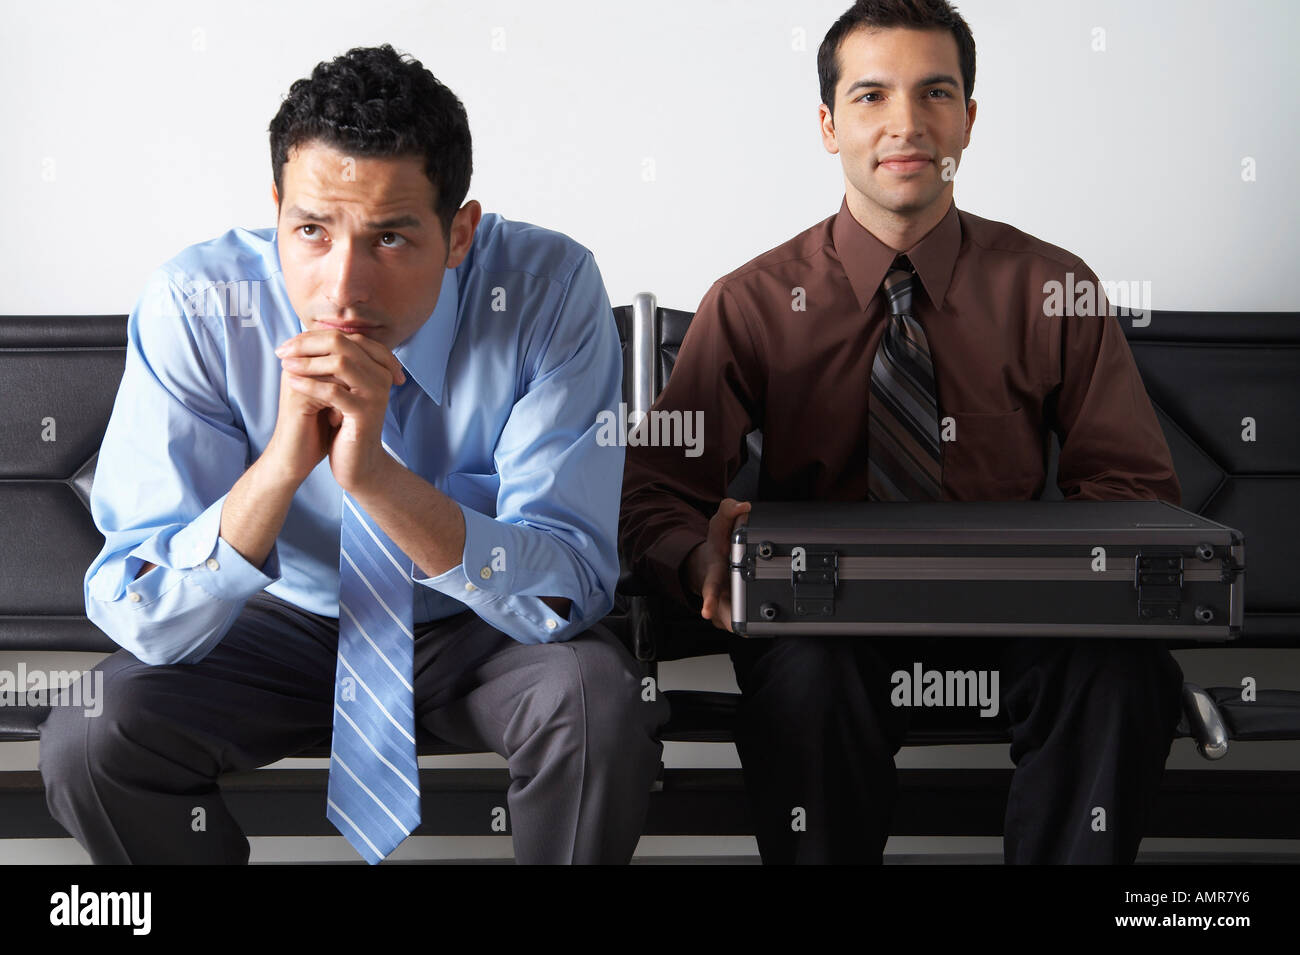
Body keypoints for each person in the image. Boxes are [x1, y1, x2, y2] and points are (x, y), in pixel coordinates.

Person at [40, 44, 668, 865]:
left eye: (391, 238)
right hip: (272, 626)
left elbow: (566, 589)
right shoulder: (198, 304)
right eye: (310, 230)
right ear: (276, 211)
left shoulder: (547, 290)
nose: (344, 286)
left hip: (476, 633)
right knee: (91, 736)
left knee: (595, 702)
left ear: (459, 234)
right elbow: (140, 607)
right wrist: (281, 466)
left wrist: (375, 479)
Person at [619, 0, 1184, 864]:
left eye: (936, 93)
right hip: (830, 618)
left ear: (969, 118)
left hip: (1019, 608)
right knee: (806, 671)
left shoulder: (1054, 286)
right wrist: (703, 559)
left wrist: (1067, 567)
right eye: (872, 95)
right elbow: (657, 492)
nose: (906, 124)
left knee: (1121, 667)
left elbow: (1133, 488)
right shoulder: (754, 301)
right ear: (827, 124)